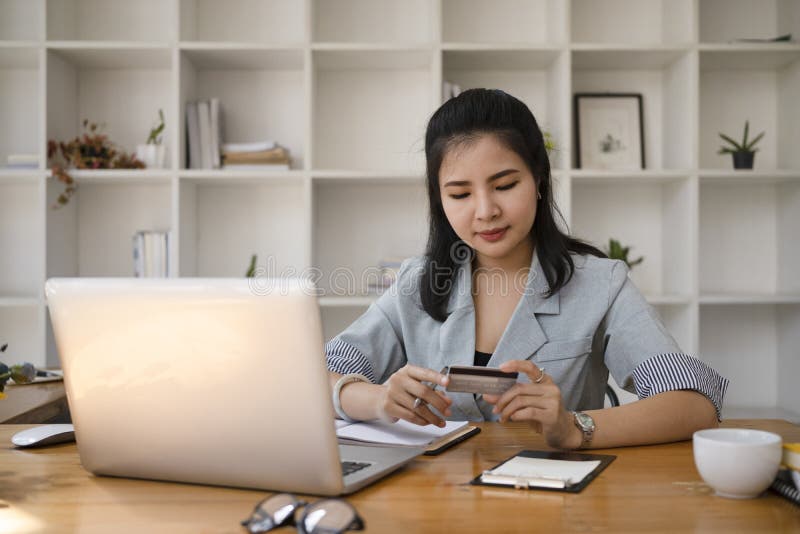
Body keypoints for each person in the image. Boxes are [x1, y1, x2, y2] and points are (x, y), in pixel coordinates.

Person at [325, 88, 728, 450]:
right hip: (439, 504)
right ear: (440, 201)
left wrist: (574, 427)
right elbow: (316, 378)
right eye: (460, 193)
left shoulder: (600, 284)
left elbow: (694, 404)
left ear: (538, 179)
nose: (486, 211)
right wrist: (376, 399)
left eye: (504, 185)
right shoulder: (416, 283)